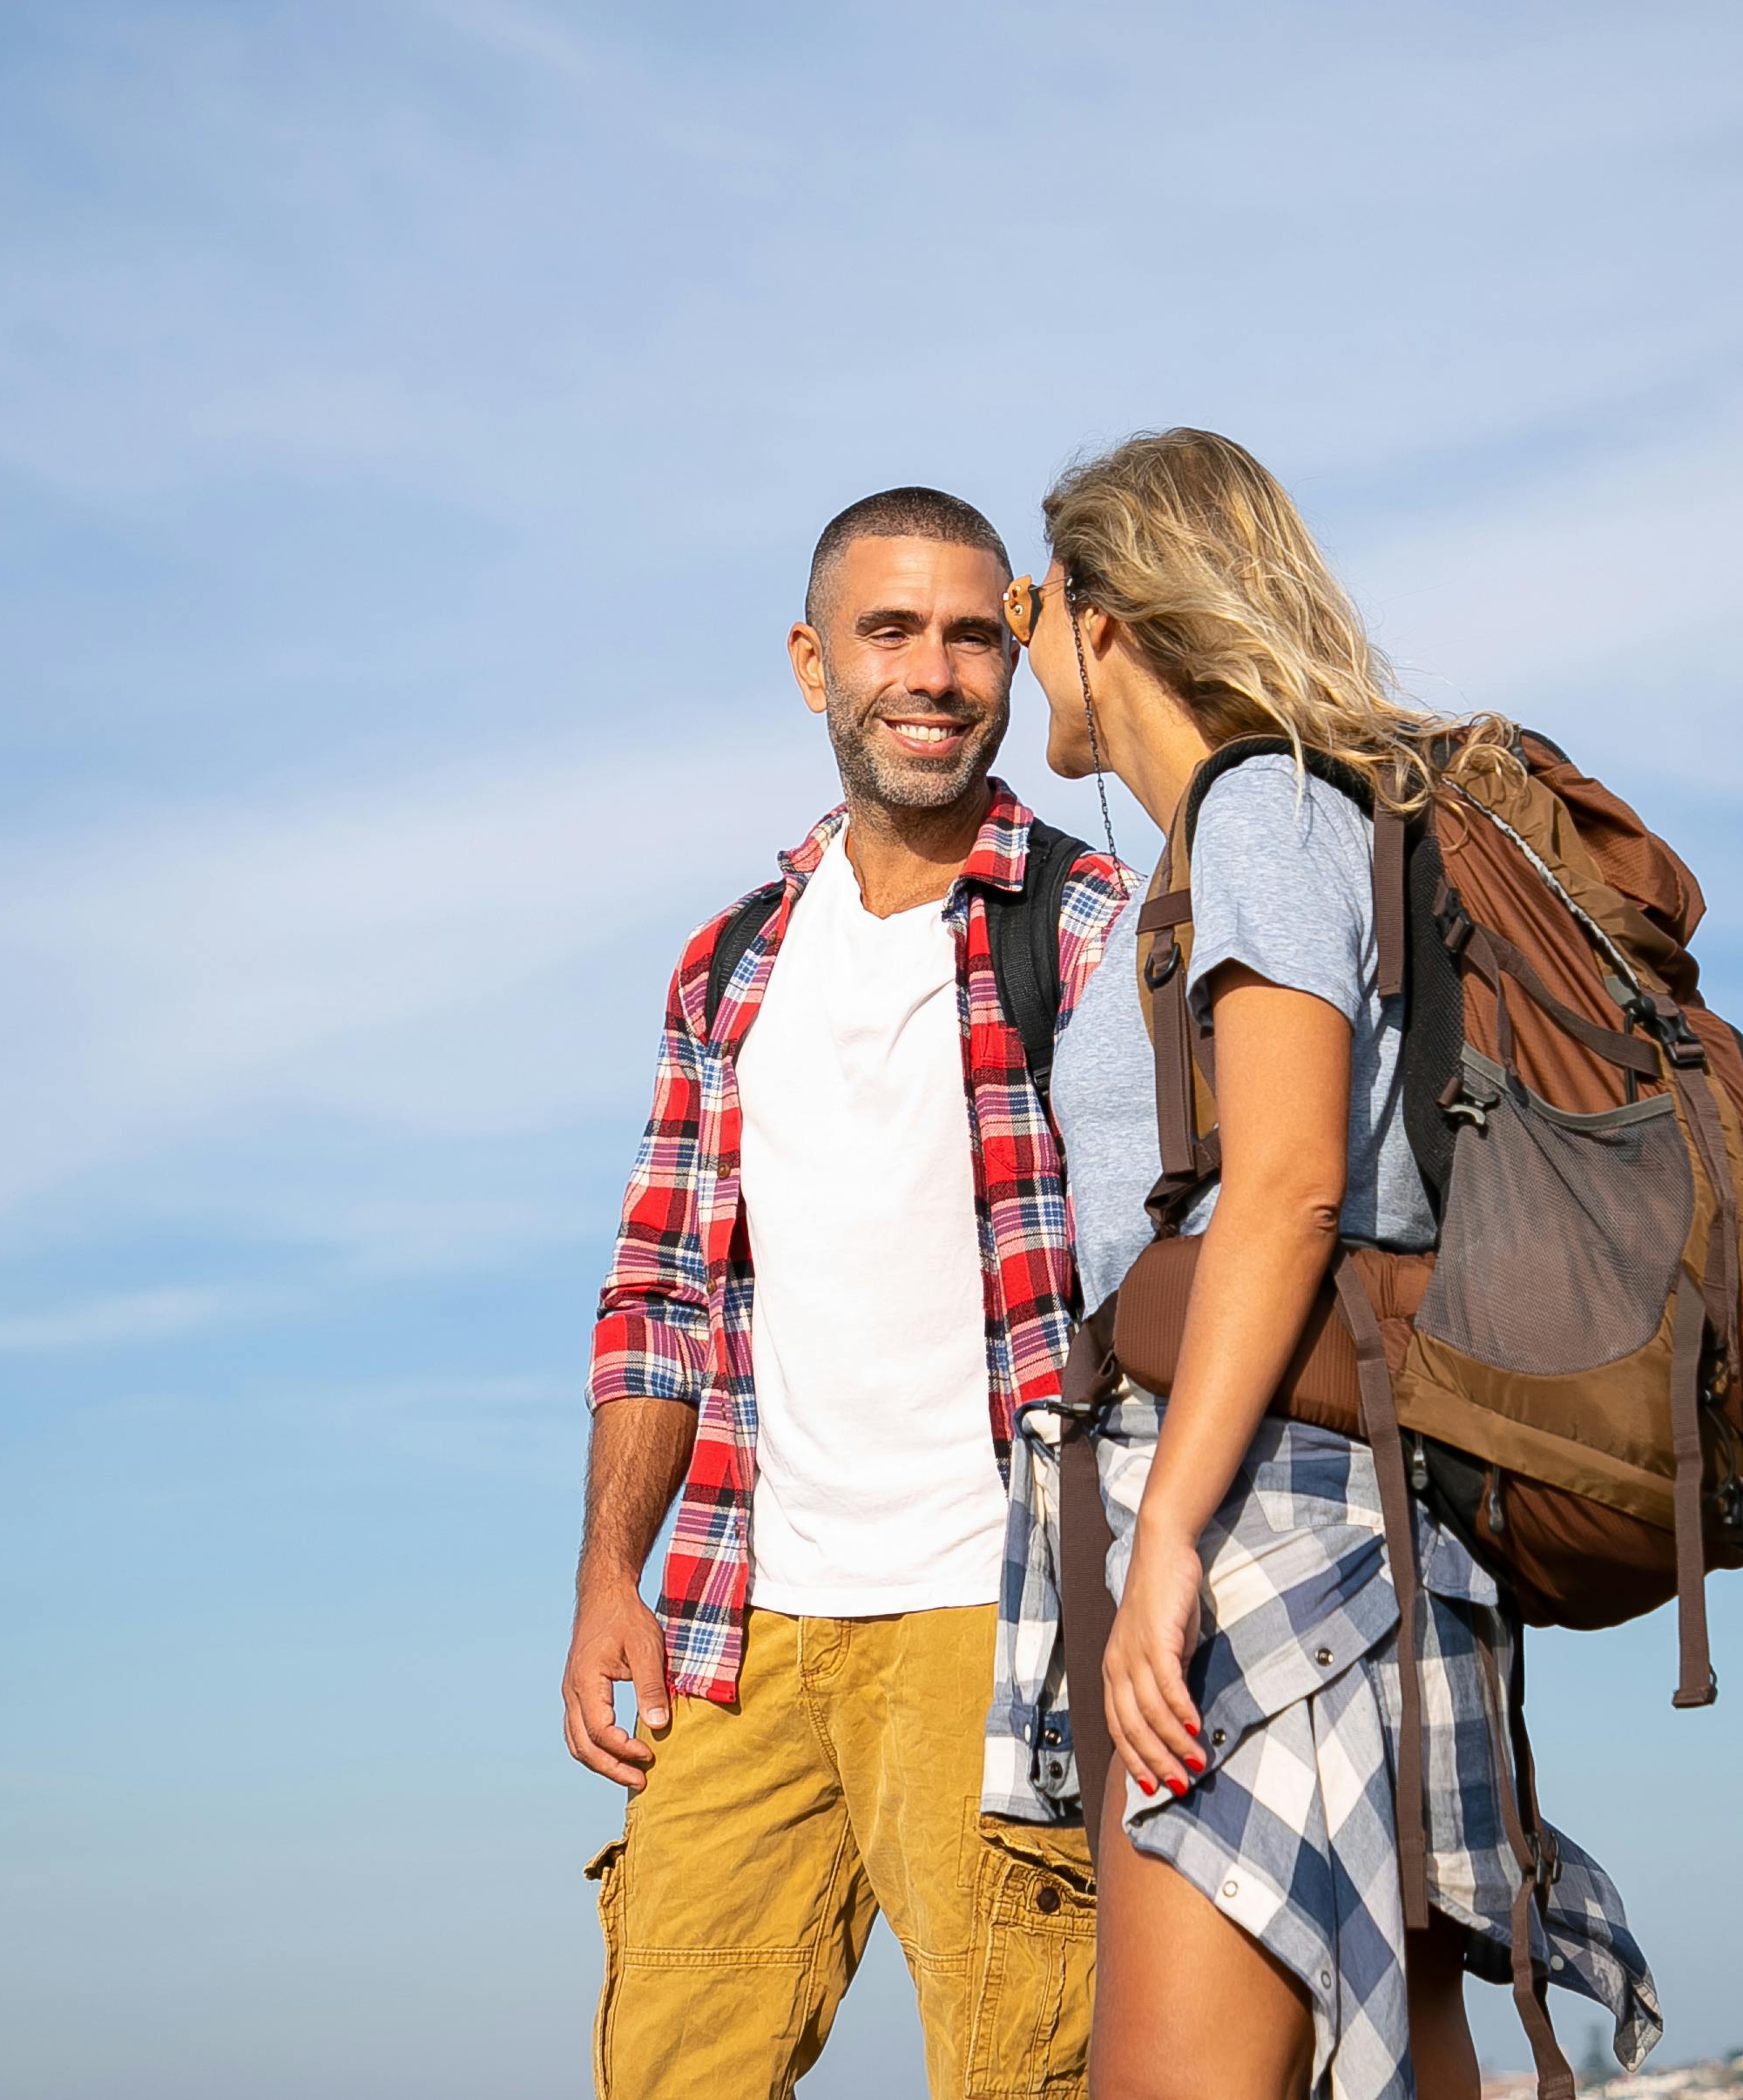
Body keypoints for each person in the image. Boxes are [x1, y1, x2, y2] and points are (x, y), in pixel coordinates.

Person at [981, 431, 1661, 2100]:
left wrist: (1165, 1554)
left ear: (1111, 613)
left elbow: (1281, 1191)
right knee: (1401, 2052)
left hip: (1262, 1524)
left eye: (1025, 603)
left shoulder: (1261, 808)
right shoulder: (1270, 819)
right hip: (1334, 1506)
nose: (1011, 646)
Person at [565, 486, 1136, 2098]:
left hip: (995, 1612)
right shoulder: (729, 963)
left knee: (1026, 2067)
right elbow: (662, 1293)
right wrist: (614, 1575)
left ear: (1016, 656)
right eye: (892, 631)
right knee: (668, 2070)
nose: (934, 673)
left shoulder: (1087, 928)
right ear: (815, 661)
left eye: (973, 633)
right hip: (742, 1630)